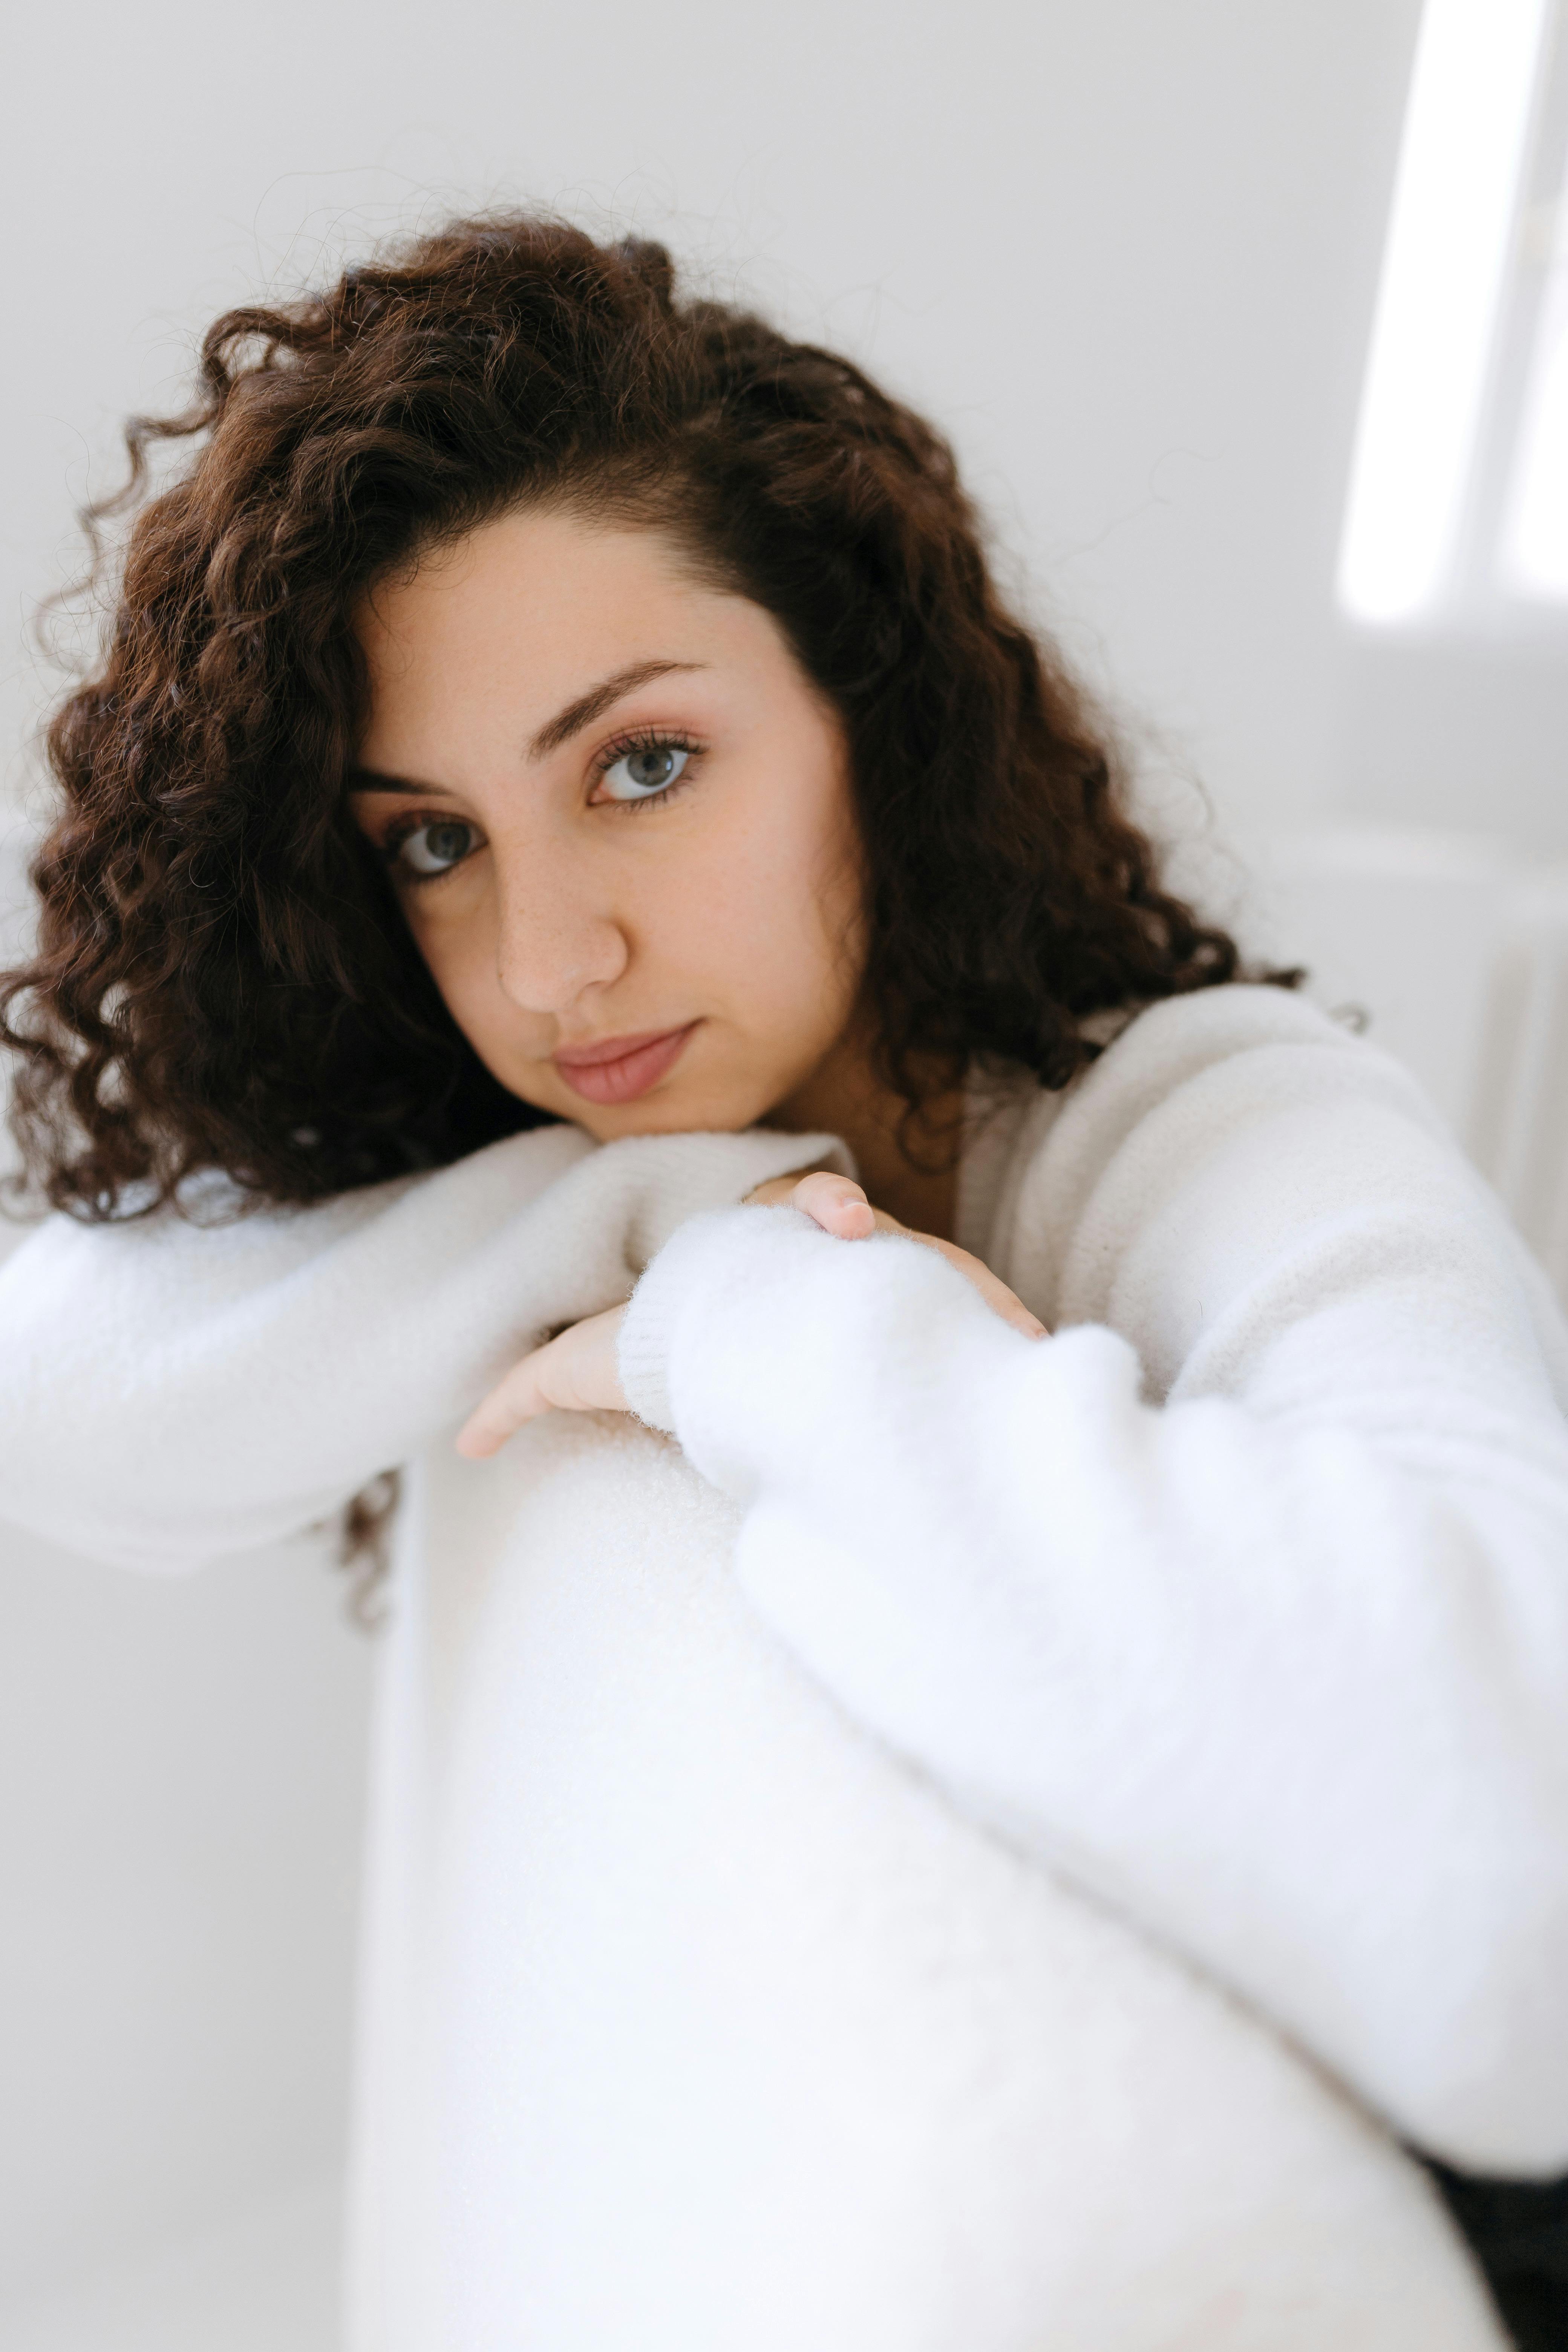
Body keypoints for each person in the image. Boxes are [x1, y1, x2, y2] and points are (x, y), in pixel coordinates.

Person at [2, 213, 1565, 2350]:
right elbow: (58, 1396)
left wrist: (759, 1312)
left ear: (868, 716)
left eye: (641, 765)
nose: (549, 963)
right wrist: (679, 1225)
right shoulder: (594, 1166)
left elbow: (1514, 1918)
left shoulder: (1222, 1120)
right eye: (434, 840)